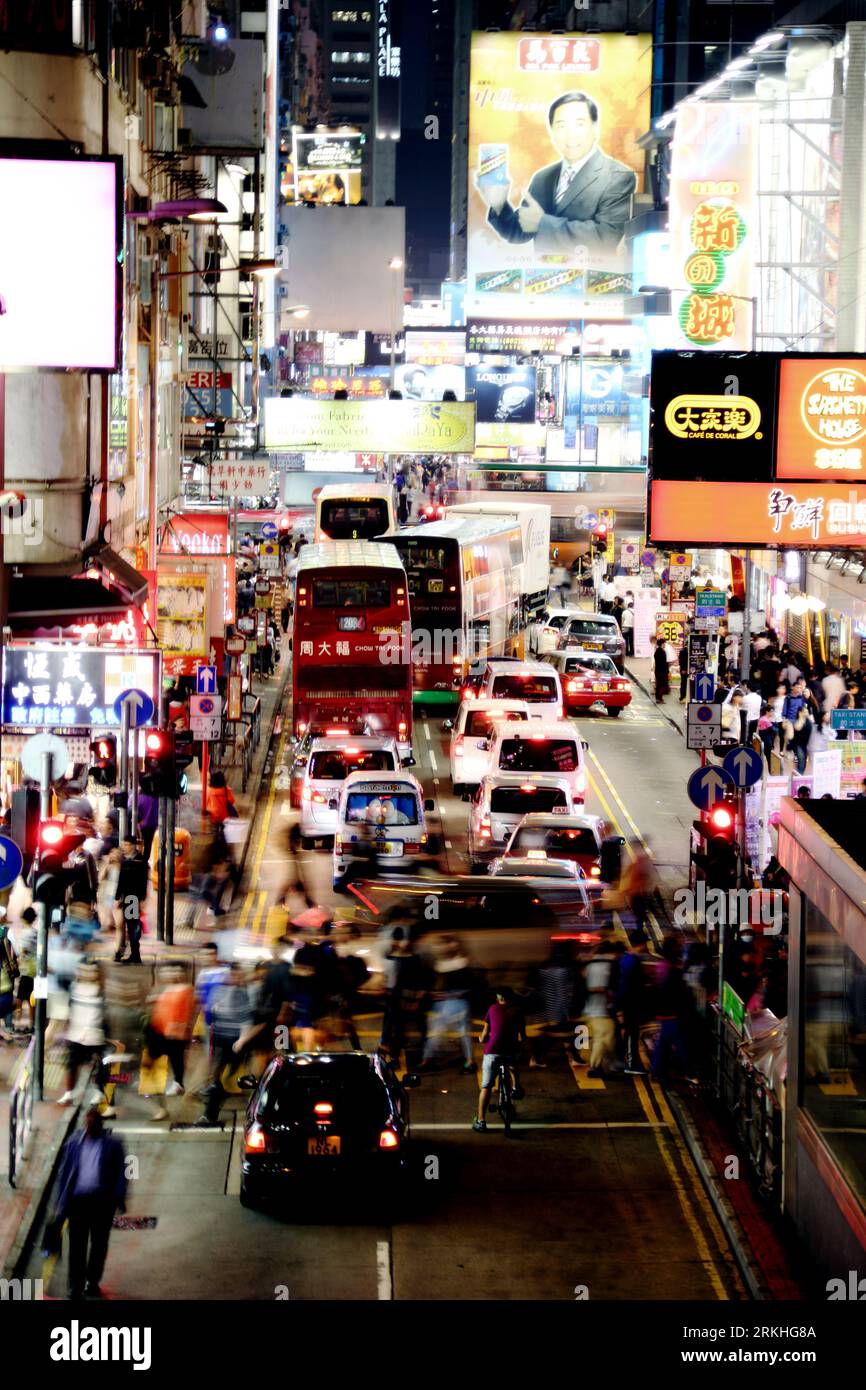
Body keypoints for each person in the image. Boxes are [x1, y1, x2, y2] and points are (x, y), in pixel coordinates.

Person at [478, 90, 636, 264]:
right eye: (561, 126)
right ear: (552, 132)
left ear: (595, 128)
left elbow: (606, 238)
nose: (571, 134)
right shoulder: (542, 177)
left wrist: (542, 223)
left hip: (591, 282)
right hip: (540, 281)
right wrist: (499, 204)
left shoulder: (618, 176)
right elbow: (518, 233)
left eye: (580, 124)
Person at [47, 1105, 127, 1301]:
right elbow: (64, 1175)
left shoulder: (114, 1145)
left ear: (101, 1124)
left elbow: (121, 1174)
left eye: (93, 1123)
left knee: (99, 1245)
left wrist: (119, 1197)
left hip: (102, 1203)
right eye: (87, 1123)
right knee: (77, 1247)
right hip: (78, 1203)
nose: (89, 1127)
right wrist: (60, 1202)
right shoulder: (73, 1144)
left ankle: (92, 1281)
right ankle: (74, 1286)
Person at [57, 962, 114, 1112]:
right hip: (77, 1035)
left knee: (100, 1066)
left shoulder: (100, 991)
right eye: (84, 971)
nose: (88, 975)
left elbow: (104, 1015)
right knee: (71, 1065)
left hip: (95, 1035)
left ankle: (100, 1093)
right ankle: (69, 1094)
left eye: (91, 972)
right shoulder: (75, 988)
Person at [144, 966, 196, 1121]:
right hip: (160, 1032)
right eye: (167, 972)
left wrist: (182, 1029)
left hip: (174, 1033)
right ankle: (175, 1084)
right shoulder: (166, 989)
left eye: (175, 971)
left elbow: (186, 1011)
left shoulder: (186, 990)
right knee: (172, 1059)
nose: (170, 974)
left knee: (176, 1058)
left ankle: (178, 1084)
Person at [473, 986, 527, 1133]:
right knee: (514, 1063)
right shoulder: (518, 1011)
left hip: (493, 1052)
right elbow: (522, 1037)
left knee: (486, 1087)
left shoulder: (492, 1009)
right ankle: (516, 1087)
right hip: (511, 1052)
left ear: (498, 999)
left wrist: (481, 1039)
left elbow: (485, 1034)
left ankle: (481, 1121)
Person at [113, 836, 148, 964]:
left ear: (133, 845)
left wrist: (142, 898)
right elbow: (120, 881)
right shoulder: (125, 860)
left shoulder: (140, 861)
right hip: (126, 898)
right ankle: (132, 954)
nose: (124, 848)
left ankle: (135, 955)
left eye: (127, 845)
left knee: (133, 926)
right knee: (129, 925)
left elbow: (143, 881)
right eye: (123, 845)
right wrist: (117, 897)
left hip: (133, 898)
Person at [652, 637, 670, 703]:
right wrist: (667, 669)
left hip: (658, 671)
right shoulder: (662, 652)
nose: (665, 644)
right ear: (662, 644)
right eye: (664, 643)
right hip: (662, 671)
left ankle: (658, 698)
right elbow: (664, 663)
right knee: (664, 685)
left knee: (658, 685)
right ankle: (659, 697)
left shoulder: (657, 651)